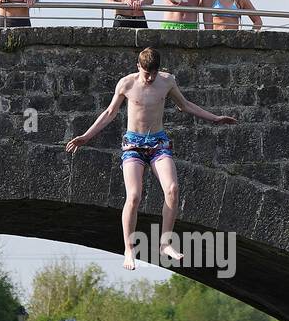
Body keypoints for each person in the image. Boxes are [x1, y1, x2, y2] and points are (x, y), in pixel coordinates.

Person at [64, 48, 236, 270]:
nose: (150, 78)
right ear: (138, 67)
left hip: (158, 143)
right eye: (147, 73)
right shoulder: (126, 84)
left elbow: (185, 105)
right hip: (133, 145)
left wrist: (214, 118)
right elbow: (109, 113)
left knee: (173, 189)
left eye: (153, 73)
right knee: (134, 196)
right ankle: (128, 248)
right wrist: (86, 137)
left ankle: (165, 244)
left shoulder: (167, 81)